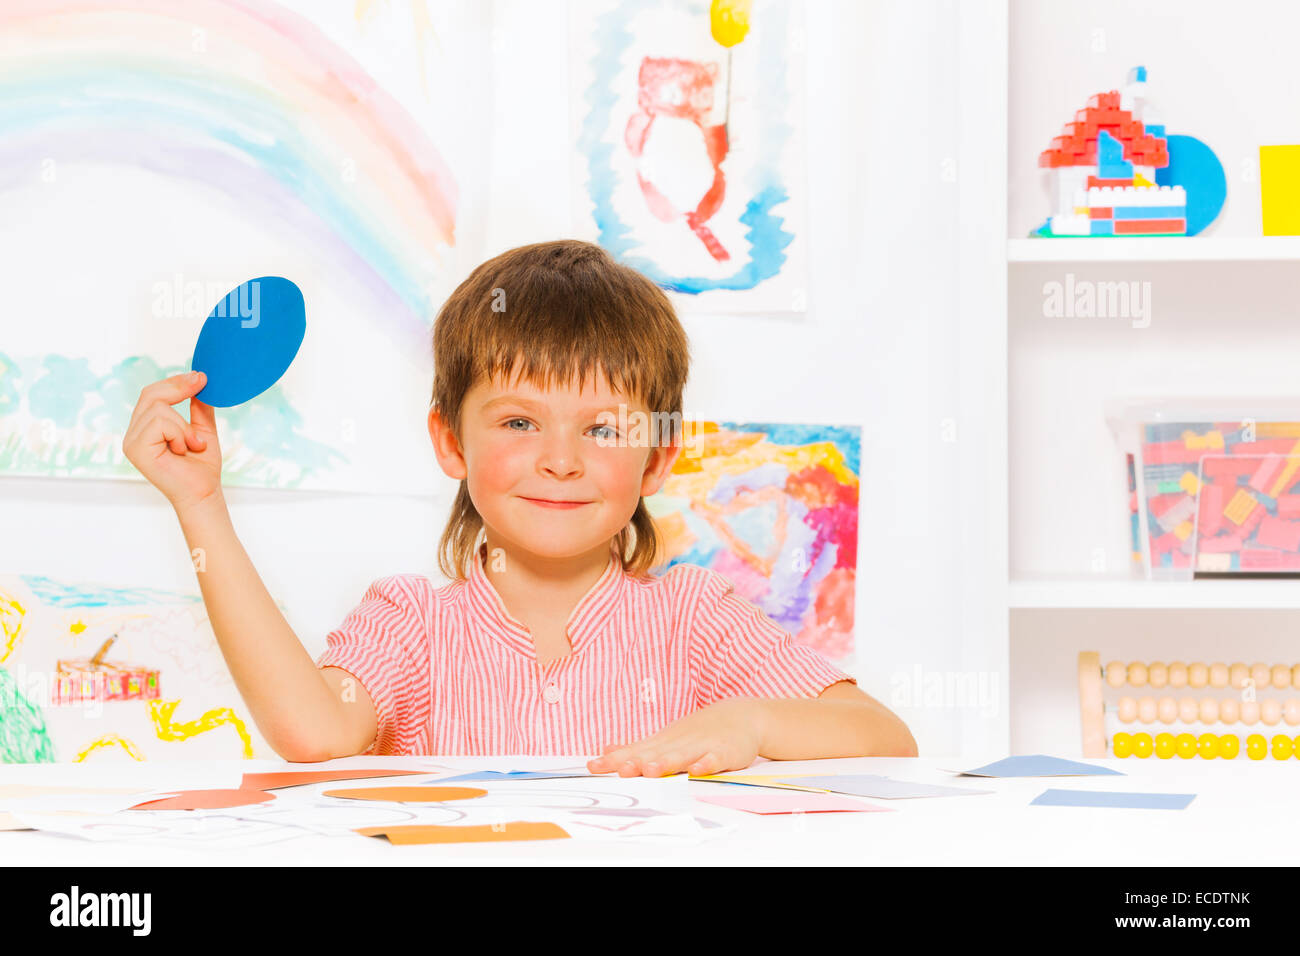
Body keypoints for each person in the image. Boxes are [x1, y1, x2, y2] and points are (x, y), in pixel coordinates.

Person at [123, 239, 916, 775]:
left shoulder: (695, 617)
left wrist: (754, 725)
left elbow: (886, 741)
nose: (561, 460)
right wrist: (201, 506)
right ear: (451, 442)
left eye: (602, 428)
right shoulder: (410, 624)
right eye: (518, 422)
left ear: (657, 458)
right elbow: (312, 733)